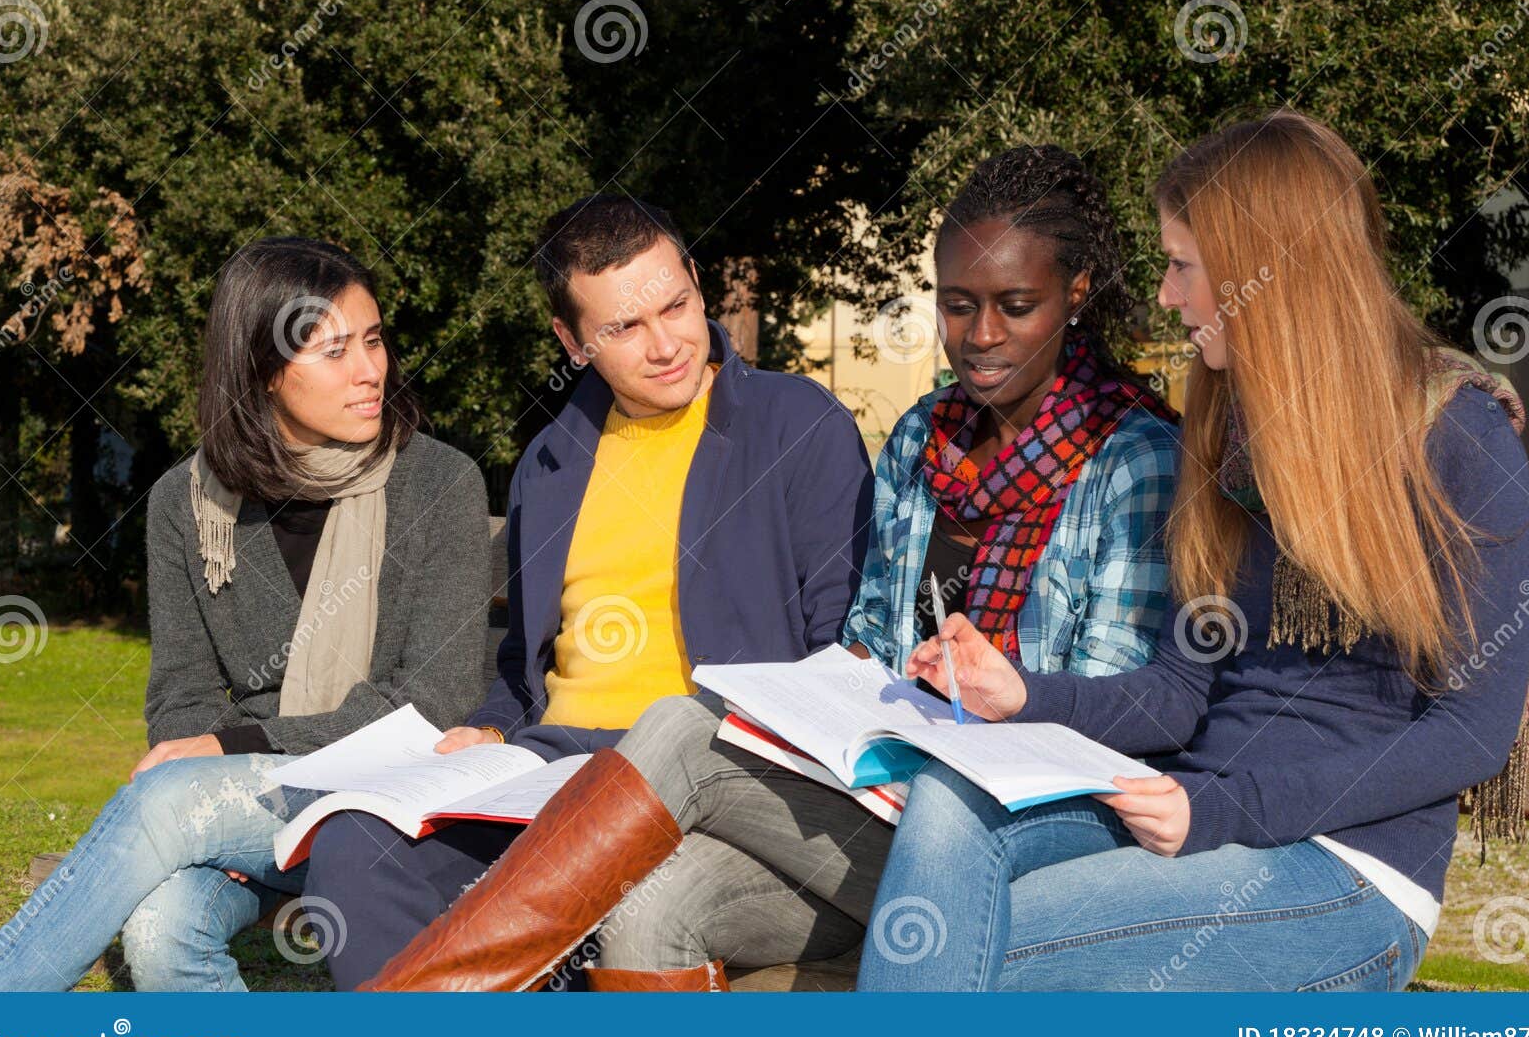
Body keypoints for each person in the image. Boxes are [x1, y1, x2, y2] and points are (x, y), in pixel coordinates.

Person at [358, 146, 1180, 992]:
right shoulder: (923, 439)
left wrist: (1002, 697)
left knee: (680, 726)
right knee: (651, 911)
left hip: (1020, 832)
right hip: (883, 806)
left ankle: (410, 1022)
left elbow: (1106, 716)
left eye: (1015, 305)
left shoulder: (1134, 460)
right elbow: (860, 648)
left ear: (1075, 295)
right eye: (958, 305)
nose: (981, 335)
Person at [857, 110, 1529, 991]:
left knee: (953, 949)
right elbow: (1180, 691)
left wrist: (1221, 808)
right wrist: (1018, 692)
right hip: (1194, 805)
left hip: (1347, 870)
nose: (1169, 296)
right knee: (950, 800)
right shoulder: (1233, 419)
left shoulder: (1455, 431)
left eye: (1183, 266)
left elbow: (1471, 734)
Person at [304, 194, 874, 990]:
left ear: (697, 282)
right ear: (571, 341)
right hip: (552, 764)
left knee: (593, 880)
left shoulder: (795, 424)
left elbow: (841, 648)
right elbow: (523, 660)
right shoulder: (551, 460)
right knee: (355, 843)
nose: (667, 342)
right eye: (622, 328)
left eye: (676, 305)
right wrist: (490, 731)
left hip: (719, 766)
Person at [0, 238, 491, 992]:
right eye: (335, 350)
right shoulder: (186, 502)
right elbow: (180, 695)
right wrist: (223, 764)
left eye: (373, 340)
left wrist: (238, 744)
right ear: (263, 374)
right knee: (161, 929)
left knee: (167, 802)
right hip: (244, 806)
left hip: (383, 794)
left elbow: (431, 699)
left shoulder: (438, 483)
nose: (370, 369)